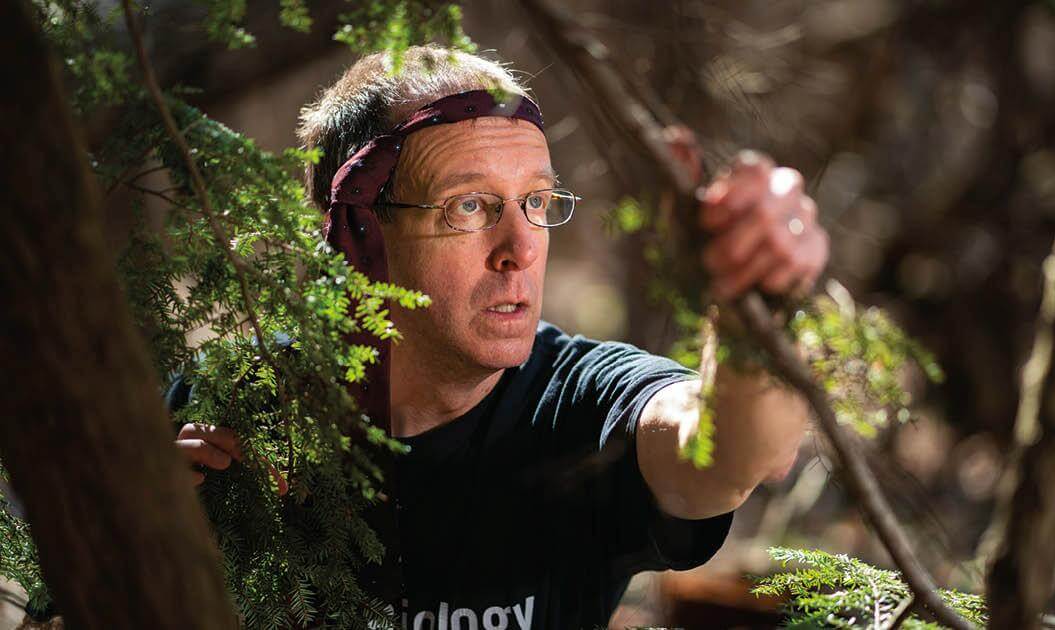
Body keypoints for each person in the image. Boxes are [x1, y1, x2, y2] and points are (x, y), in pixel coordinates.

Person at [174, 46, 829, 629]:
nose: (520, 249)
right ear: (361, 234)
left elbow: (725, 455)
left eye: (537, 203)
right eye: (470, 206)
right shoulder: (237, 411)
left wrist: (757, 301)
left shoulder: (576, 400)